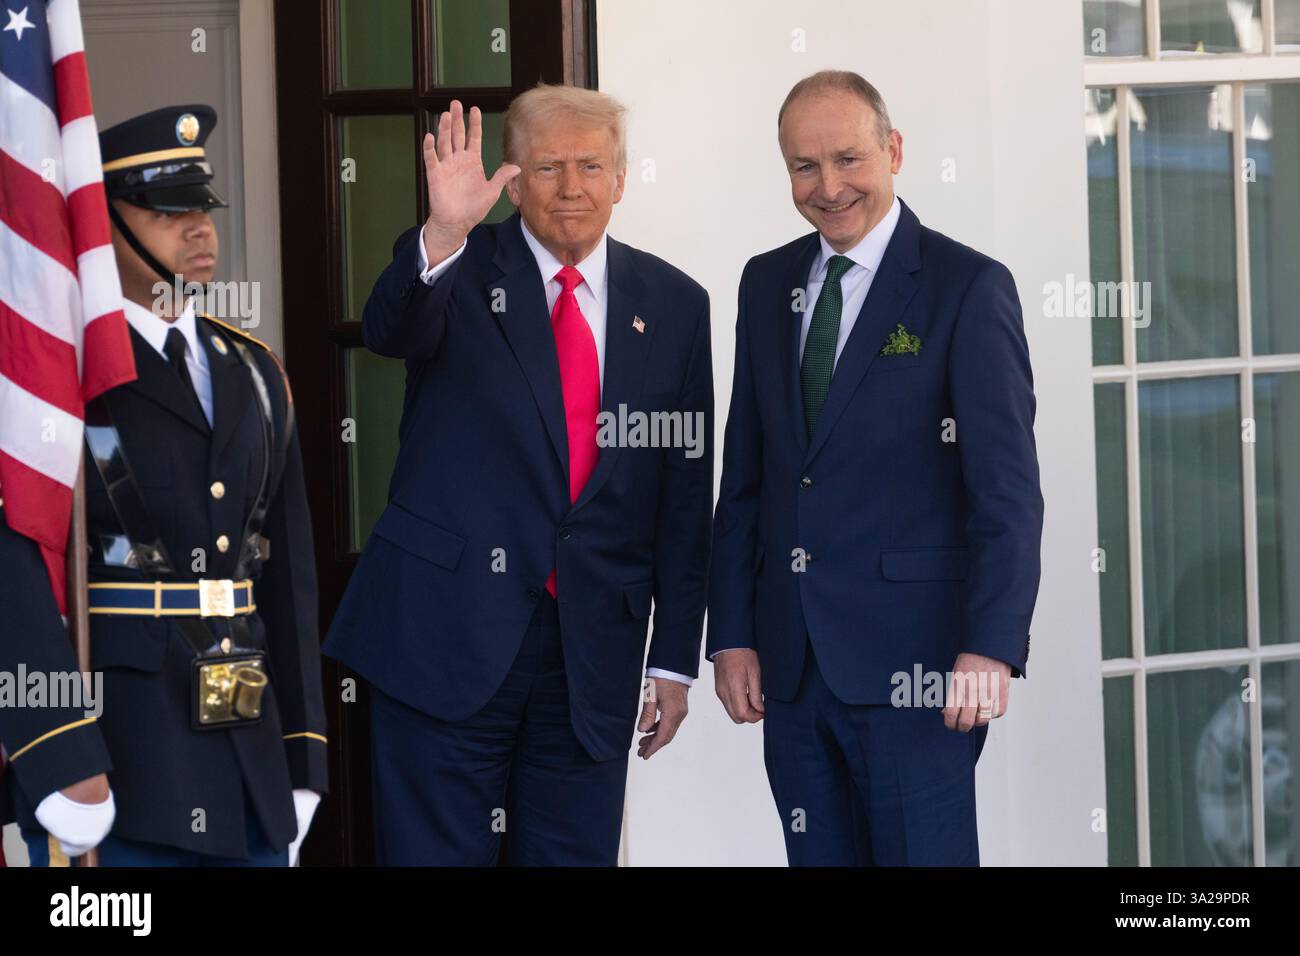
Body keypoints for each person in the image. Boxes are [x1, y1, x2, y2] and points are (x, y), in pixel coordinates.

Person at [323, 86, 713, 865]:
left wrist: (673, 659)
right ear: (511, 176)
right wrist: (442, 231)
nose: (572, 187)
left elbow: (682, 495)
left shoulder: (675, 302)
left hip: (592, 657)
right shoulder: (459, 268)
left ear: (623, 178)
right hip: (444, 638)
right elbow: (389, 328)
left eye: (591, 166)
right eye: (548, 167)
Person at [708, 71, 1043, 866]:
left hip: (919, 672)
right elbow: (745, 478)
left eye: (848, 158)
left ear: (893, 151)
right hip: (790, 672)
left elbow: (1007, 493)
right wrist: (733, 636)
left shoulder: (968, 287)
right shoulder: (765, 284)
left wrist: (990, 646)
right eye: (803, 166)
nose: (829, 187)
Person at [12, 104, 328, 866]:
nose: (199, 231)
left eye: (203, 209)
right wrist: (55, 753)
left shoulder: (254, 371)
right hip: (119, 755)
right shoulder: (57, 380)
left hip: (248, 756)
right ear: (100, 223)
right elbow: (13, 566)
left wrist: (304, 756)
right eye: (166, 211)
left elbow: (287, 580)